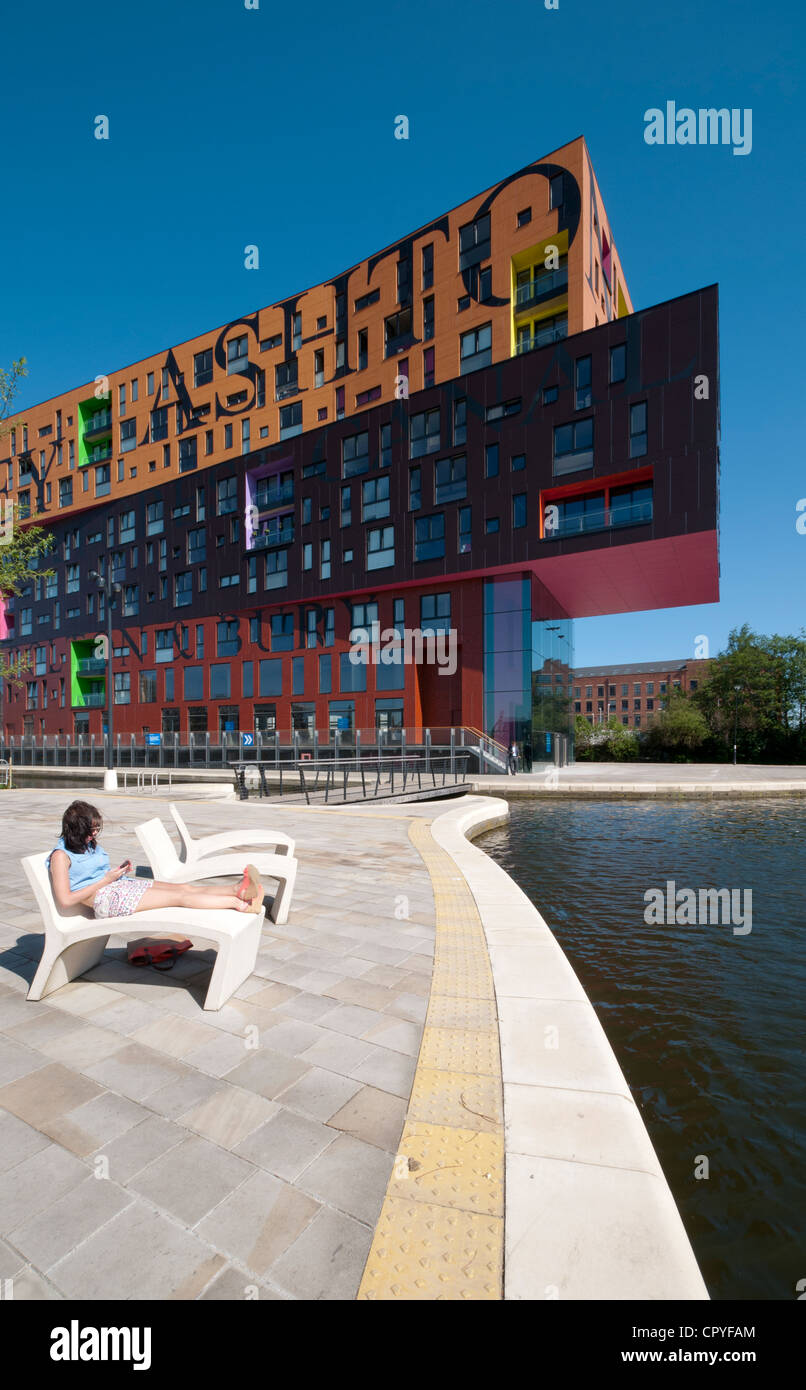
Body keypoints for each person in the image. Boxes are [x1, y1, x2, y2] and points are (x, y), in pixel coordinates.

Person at [47, 800, 263, 920]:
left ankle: (237, 890)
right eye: (90, 830)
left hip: (118, 888)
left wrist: (117, 874)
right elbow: (66, 900)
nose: (94, 834)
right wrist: (106, 880)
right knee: (179, 897)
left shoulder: (87, 845)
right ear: (76, 828)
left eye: (96, 829)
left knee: (183, 887)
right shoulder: (61, 857)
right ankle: (238, 904)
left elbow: (97, 875)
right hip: (107, 902)